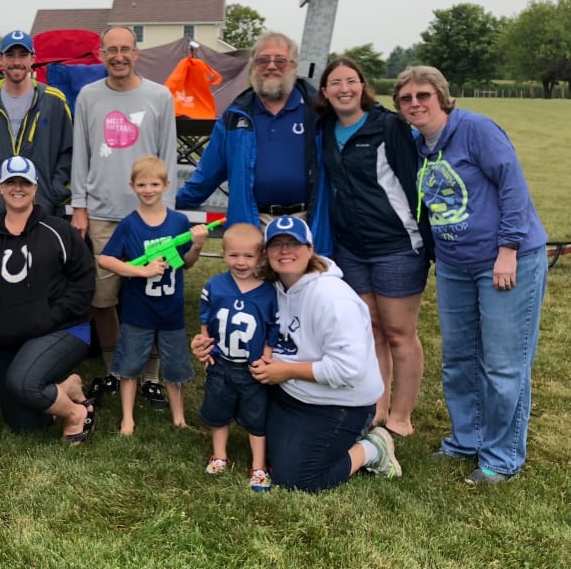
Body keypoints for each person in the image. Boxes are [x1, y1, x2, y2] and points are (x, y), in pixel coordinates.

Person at [394, 66, 548, 485]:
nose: (415, 103)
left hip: (504, 260)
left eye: (423, 95)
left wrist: (508, 250)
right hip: (454, 265)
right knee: (459, 359)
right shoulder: (416, 143)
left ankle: (502, 457)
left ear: (443, 97)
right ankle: (467, 439)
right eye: (406, 99)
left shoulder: (476, 129)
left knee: (503, 364)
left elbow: (513, 186)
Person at [206, 217, 399, 492]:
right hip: (289, 392)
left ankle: (372, 448)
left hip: (338, 401)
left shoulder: (333, 298)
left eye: (293, 243)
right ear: (266, 253)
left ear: (310, 249)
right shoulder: (268, 288)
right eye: (277, 245)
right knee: (261, 438)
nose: (285, 251)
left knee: (297, 478)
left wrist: (285, 371)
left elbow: (349, 370)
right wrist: (209, 342)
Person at [313, 58, 429, 438]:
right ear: (325, 92)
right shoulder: (327, 130)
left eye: (351, 81)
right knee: (371, 329)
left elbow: (414, 182)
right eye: (335, 83)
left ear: (363, 86)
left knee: (399, 332)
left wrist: (425, 240)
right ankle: (377, 406)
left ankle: (401, 416)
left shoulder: (389, 126)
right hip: (351, 248)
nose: (343, 89)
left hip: (396, 244)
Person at [71, 26, 177, 400]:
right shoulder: (88, 96)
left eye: (125, 49)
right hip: (102, 212)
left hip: (149, 215)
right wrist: (79, 207)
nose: (118, 56)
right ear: (101, 54)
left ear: (136, 53)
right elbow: (80, 153)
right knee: (103, 298)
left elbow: (168, 156)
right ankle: (116, 367)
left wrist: (170, 212)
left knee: (149, 296)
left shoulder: (159, 96)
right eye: (111, 50)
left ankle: (149, 375)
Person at [0, 157, 97, 441]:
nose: (18, 188)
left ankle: (76, 415)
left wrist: (49, 317)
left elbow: (84, 283)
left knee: (24, 384)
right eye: (11, 182)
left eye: (24, 182)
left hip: (62, 329)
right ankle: (68, 386)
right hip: (9, 336)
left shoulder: (59, 231)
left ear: (35, 188)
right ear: (0, 188)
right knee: (25, 424)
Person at [96, 156, 206, 432]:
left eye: (154, 184)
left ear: (167, 185)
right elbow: (106, 260)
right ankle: (127, 419)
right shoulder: (129, 225)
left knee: (176, 368)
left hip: (171, 311)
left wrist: (198, 246)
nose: (148, 189)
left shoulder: (179, 223)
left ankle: (179, 419)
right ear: (132, 186)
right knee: (130, 366)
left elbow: (187, 263)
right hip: (137, 311)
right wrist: (141, 271)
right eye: (142, 184)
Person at [176, 31, 319, 228]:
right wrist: (169, 203)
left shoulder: (317, 112)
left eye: (280, 60)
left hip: (306, 220)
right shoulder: (234, 117)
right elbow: (207, 173)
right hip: (253, 221)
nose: (271, 66)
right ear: (252, 66)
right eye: (263, 60)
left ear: (294, 66)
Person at [191, 222, 277, 492]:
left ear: (261, 256)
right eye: (233, 255)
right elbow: (206, 320)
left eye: (248, 256)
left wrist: (266, 357)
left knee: (257, 418)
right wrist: (205, 346)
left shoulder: (268, 292)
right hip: (222, 362)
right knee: (218, 412)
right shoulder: (215, 286)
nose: (240, 262)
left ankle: (259, 465)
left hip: (251, 367)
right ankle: (219, 456)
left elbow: (271, 330)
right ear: (223, 252)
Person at [0, 29, 73, 225]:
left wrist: (54, 193)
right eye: (10, 55)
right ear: (0, 59)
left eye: (23, 55)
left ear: (33, 58)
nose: (16, 62)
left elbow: (68, 152)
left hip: (43, 209)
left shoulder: (54, 100)